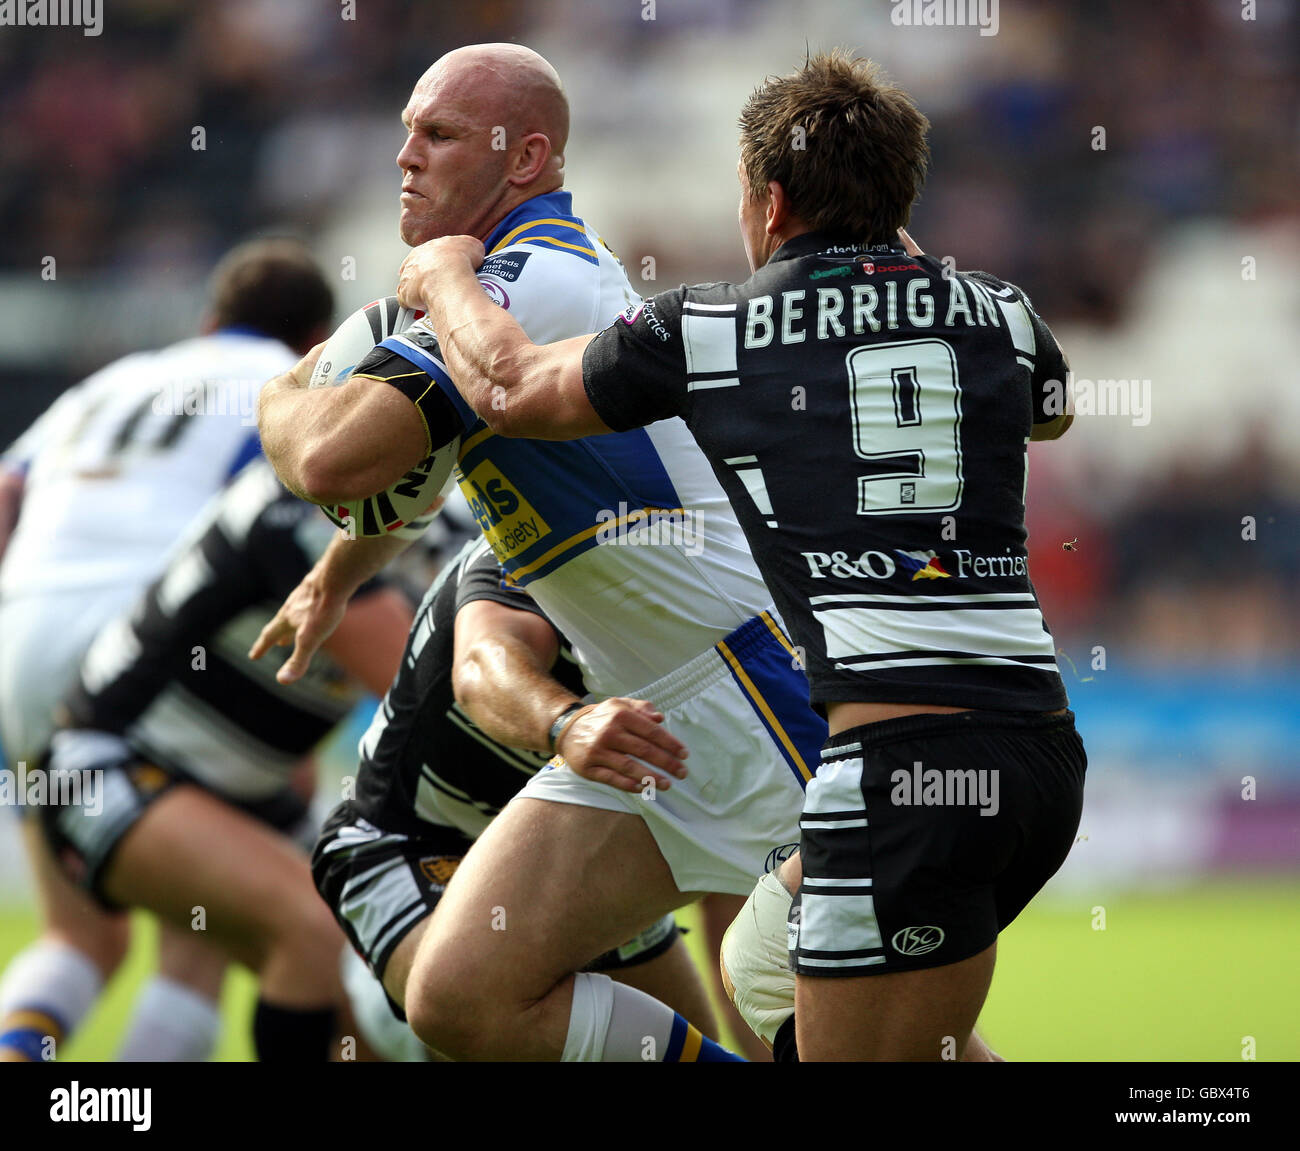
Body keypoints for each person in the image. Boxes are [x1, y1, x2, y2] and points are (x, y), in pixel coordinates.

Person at [391, 50, 1088, 1062]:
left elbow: (506, 388)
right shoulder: (999, 312)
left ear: (767, 202)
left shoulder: (717, 324)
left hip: (894, 771)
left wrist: (446, 277)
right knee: (759, 962)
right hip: (1037, 762)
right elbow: (1052, 416)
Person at [255, 42, 821, 1061]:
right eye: (404, 134)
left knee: (865, 1038)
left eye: (436, 135)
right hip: (652, 714)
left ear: (523, 160)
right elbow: (412, 483)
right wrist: (337, 577)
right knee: (463, 993)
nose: (404, 158)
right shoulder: (496, 292)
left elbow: (336, 458)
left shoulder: (533, 279)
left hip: (746, 689)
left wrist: (273, 396)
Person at [0, 239, 334, 1063]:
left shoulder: (112, 380)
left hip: (23, 643)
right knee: (210, 932)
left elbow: (6, 491)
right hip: (145, 657)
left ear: (209, 318)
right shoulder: (291, 388)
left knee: (82, 940)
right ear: (315, 336)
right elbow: (275, 527)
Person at [36, 460, 413, 1061]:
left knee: (382, 977)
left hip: (238, 790)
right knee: (314, 930)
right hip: (105, 766)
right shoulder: (302, 506)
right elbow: (424, 695)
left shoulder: (396, 506)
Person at [313, 536, 726, 1060]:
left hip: (575, 860)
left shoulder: (722, 558)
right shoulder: (541, 532)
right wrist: (564, 723)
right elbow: (482, 667)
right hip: (416, 847)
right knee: (465, 1006)